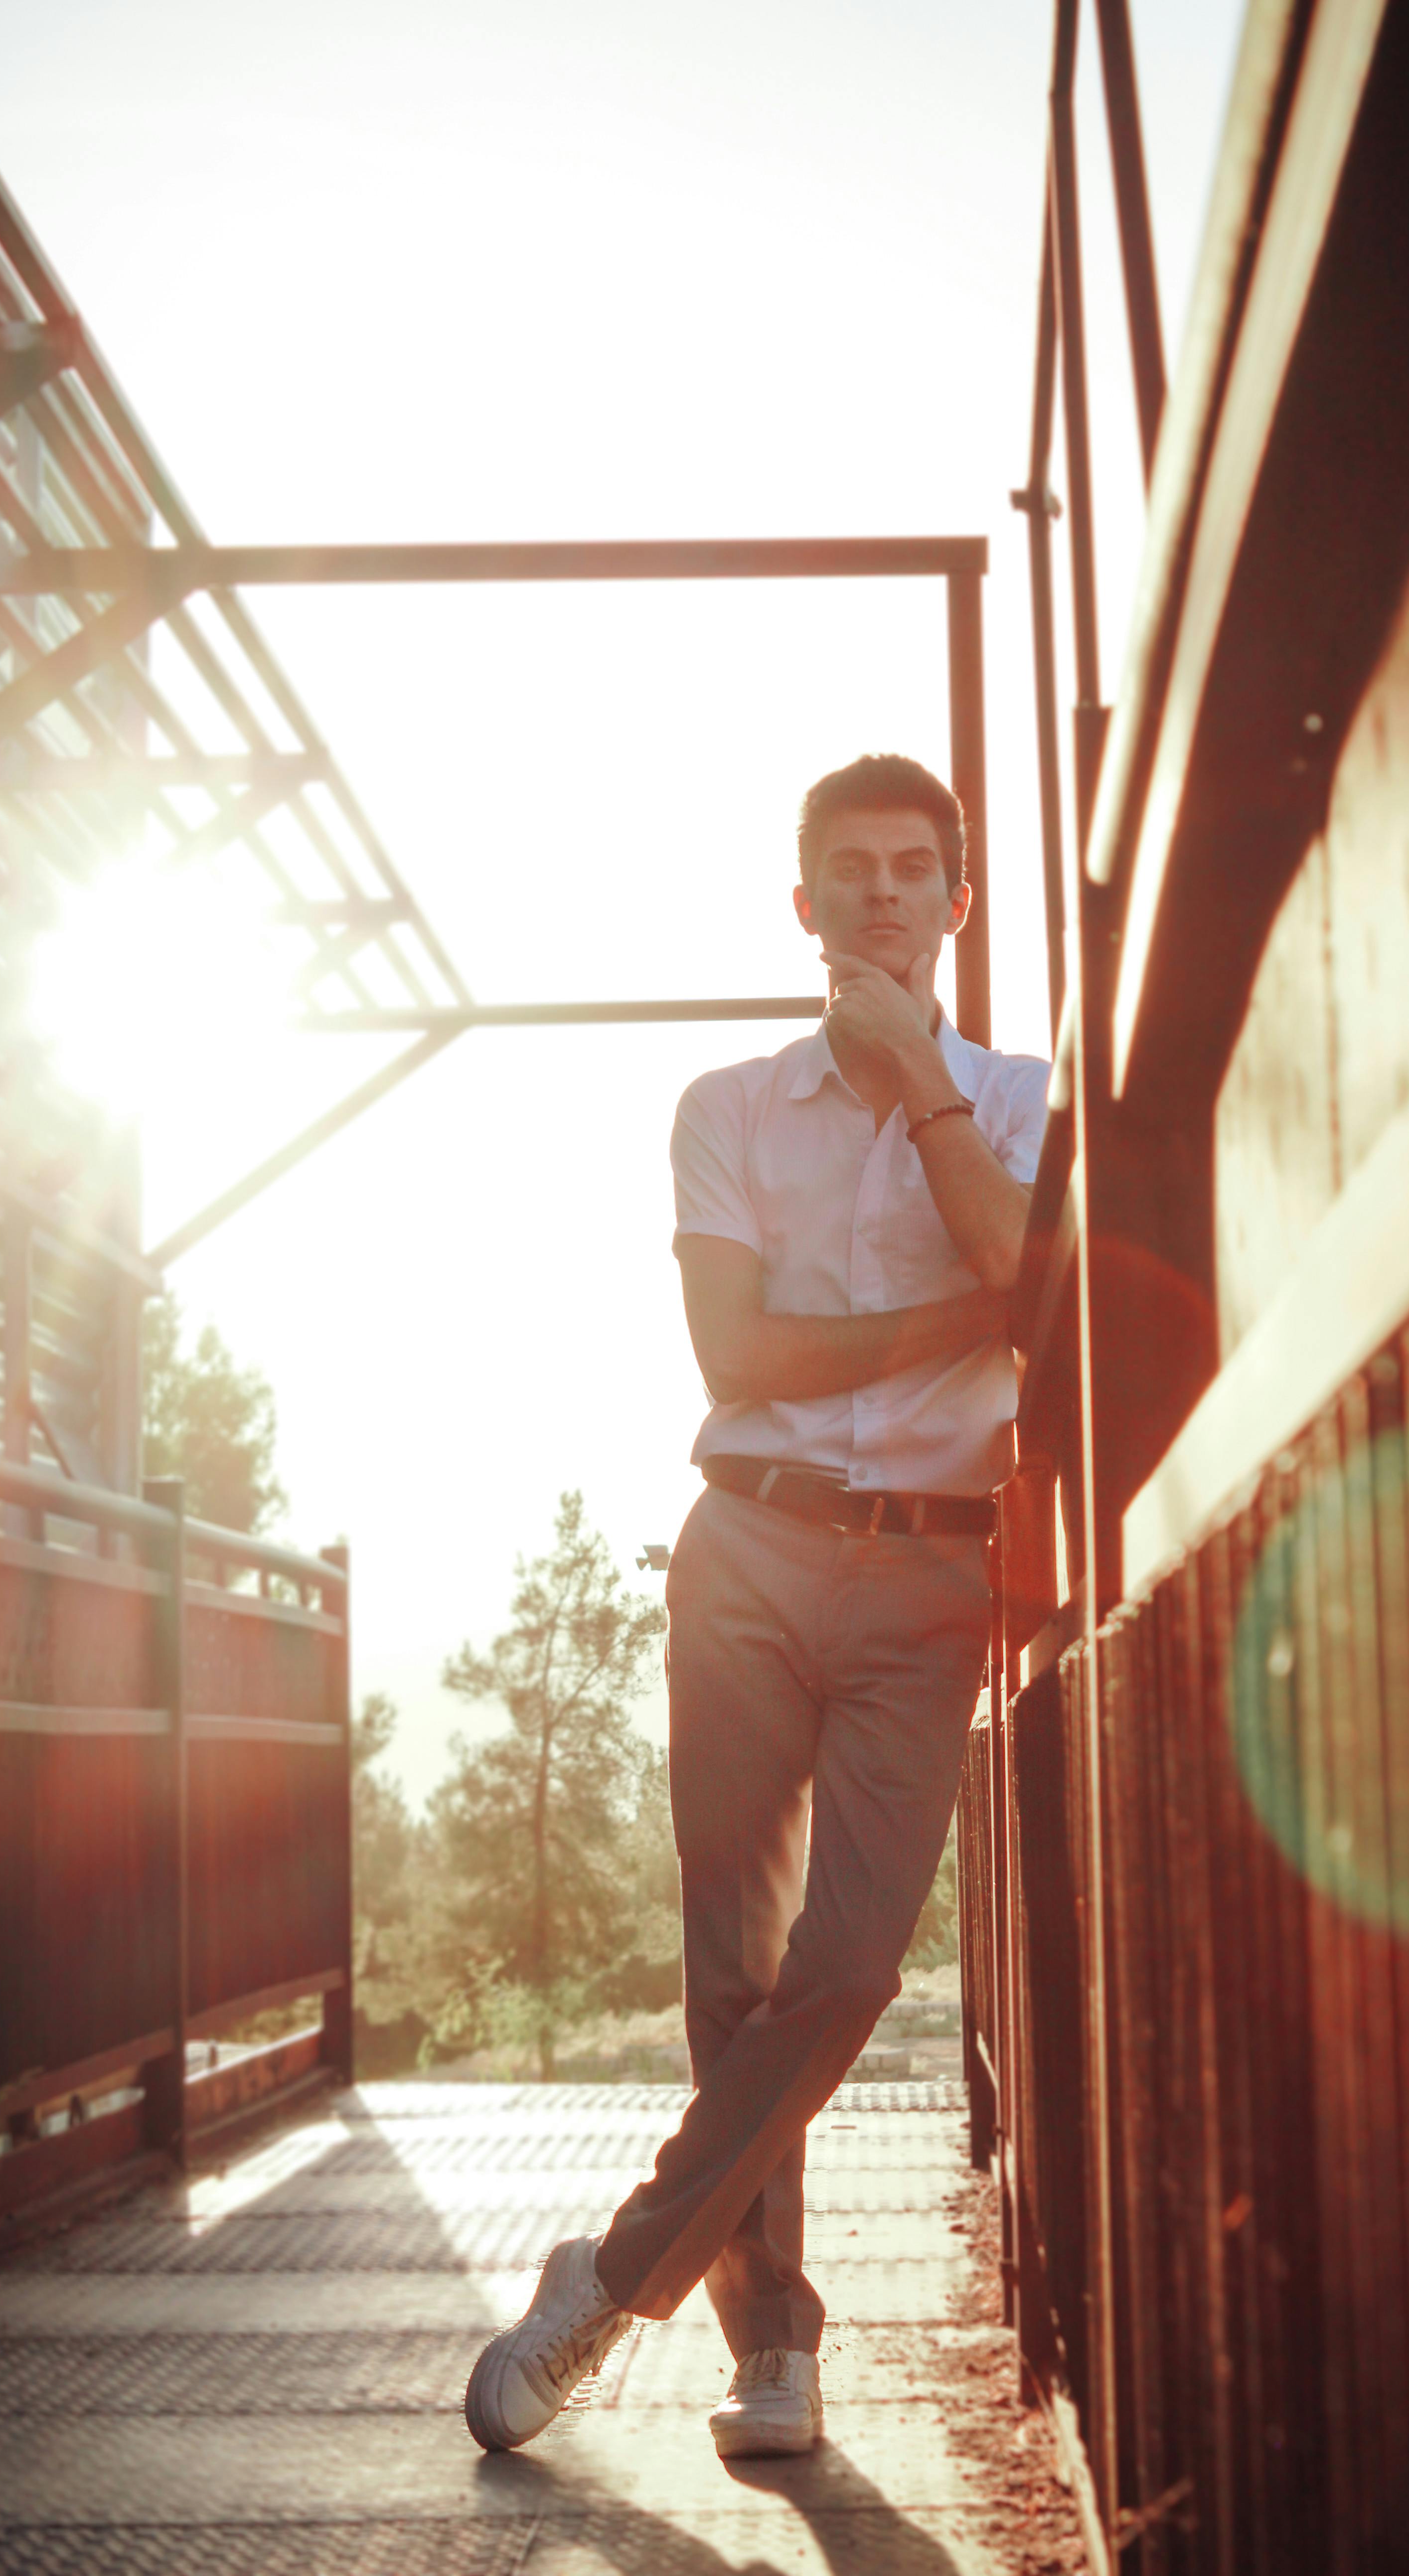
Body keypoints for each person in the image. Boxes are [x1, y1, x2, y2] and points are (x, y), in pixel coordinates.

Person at [465, 752, 1048, 2461]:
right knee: (735, 1966)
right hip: (747, 1550)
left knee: (852, 1961)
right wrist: (976, 1317)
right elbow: (744, 1359)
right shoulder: (722, 1107)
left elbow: (1036, 1272)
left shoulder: (1017, 1103)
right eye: (849, 868)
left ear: (957, 898)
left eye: (913, 865)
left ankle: (612, 2276)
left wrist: (921, 1092)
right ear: (803, 906)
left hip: (934, 1571)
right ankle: (769, 2349)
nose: (882, 891)